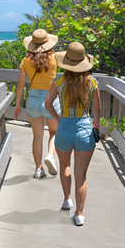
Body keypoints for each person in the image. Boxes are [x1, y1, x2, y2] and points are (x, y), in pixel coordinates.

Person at [45, 42, 101, 226]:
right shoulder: (92, 82)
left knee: (65, 166)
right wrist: (96, 123)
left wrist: (59, 118)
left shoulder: (59, 82)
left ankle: (67, 199)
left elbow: (47, 103)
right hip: (85, 128)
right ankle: (79, 214)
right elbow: (97, 108)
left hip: (64, 128)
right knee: (81, 175)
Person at [14, 29, 61, 179]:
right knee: (54, 132)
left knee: (37, 136)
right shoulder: (55, 58)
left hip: (33, 99)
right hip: (51, 100)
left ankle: (38, 169)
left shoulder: (25, 61)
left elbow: (21, 85)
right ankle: (50, 156)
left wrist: (17, 105)